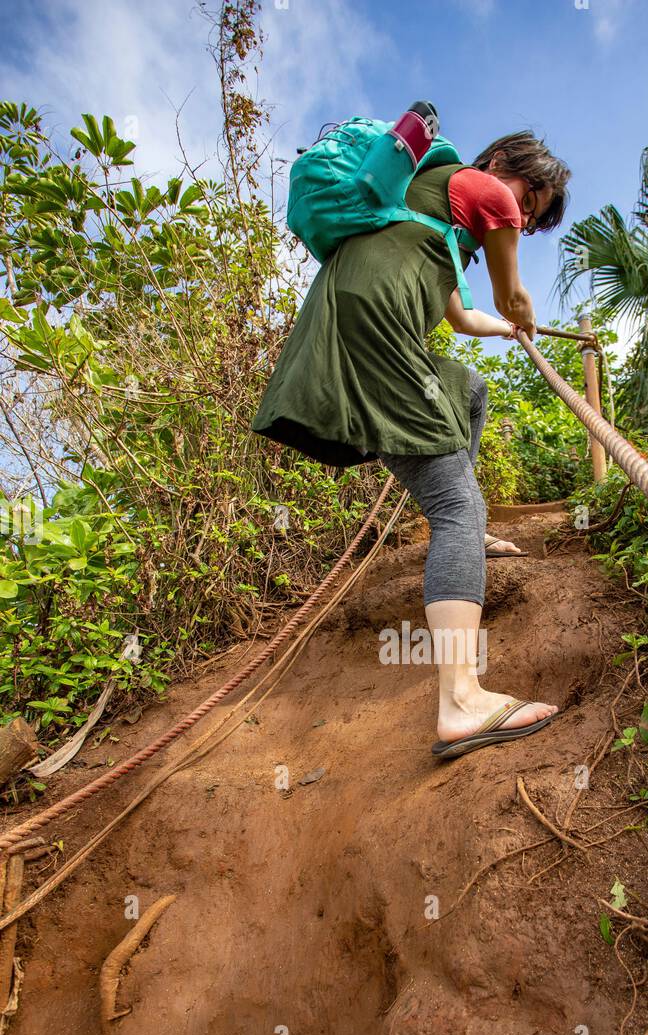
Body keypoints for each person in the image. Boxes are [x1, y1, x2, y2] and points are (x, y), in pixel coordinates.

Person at [252, 129, 571, 760]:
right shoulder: (471, 186)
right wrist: (521, 305)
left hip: (352, 323)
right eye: (528, 199)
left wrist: (510, 328)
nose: (520, 216)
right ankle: (461, 699)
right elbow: (507, 269)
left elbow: (463, 319)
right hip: (377, 329)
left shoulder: (429, 217)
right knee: (455, 506)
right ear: (502, 164)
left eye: (532, 216)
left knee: (470, 387)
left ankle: (468, 534)